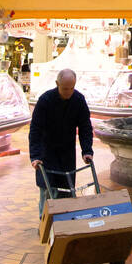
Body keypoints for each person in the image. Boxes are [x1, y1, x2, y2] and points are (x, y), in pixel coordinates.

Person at [29, 69, 95, 218]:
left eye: (71, 88)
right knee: (47, 190)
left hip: (66, 152)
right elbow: (35, 130)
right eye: (65, 88)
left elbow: (85, 127)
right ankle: (45, 224)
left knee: (66, 189)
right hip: (46, 152)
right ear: (57, 84)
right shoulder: (45, 100)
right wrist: (35, 156)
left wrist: (87, 151)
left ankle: (64, 224)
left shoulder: (78, 100)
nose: (68, 92)